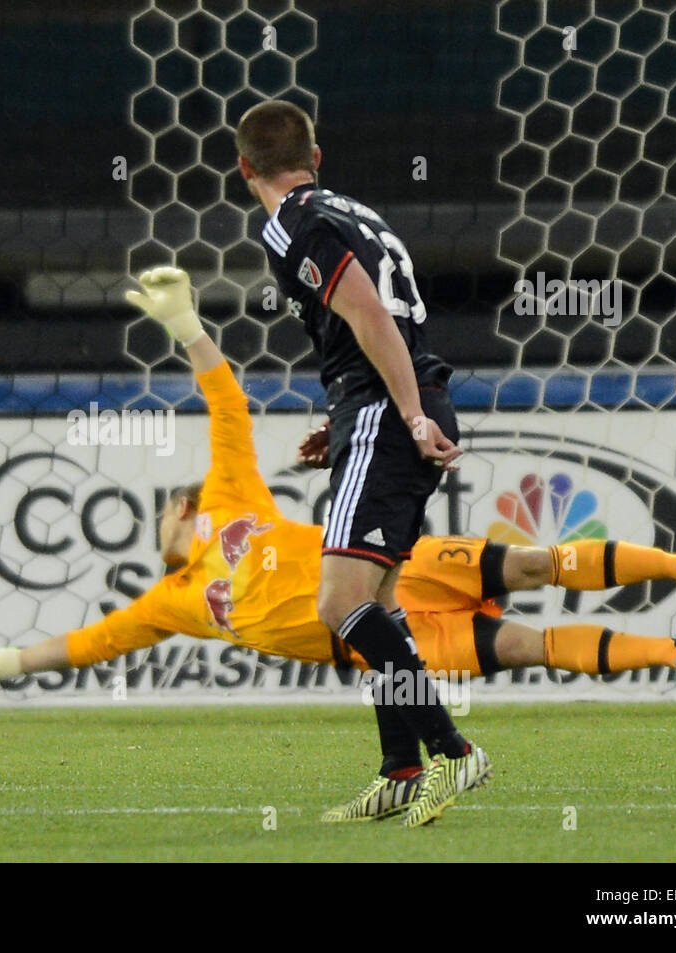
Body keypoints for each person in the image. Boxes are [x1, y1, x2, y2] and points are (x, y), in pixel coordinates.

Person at [0, 267, 676, 825]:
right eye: (166, 520)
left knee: (530, 562)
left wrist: (185, 325)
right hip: (383, 644)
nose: (169, 518)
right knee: (529, 644)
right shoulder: (169, 605)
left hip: (391, 568)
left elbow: (228, 406)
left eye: (172, 511)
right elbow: (84, 644)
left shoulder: (231, 499)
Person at [233, 99, 474, 824]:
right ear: (317, 155)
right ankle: (401, 768)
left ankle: (455, 754)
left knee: (339, 604)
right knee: (383, 603)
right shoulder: (354, 210)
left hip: (389, 408)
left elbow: (369, 312)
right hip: (387, 403)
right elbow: (374, 319)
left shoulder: (292, 223)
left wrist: (403, 414)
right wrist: (352, 418)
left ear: (245, 169)